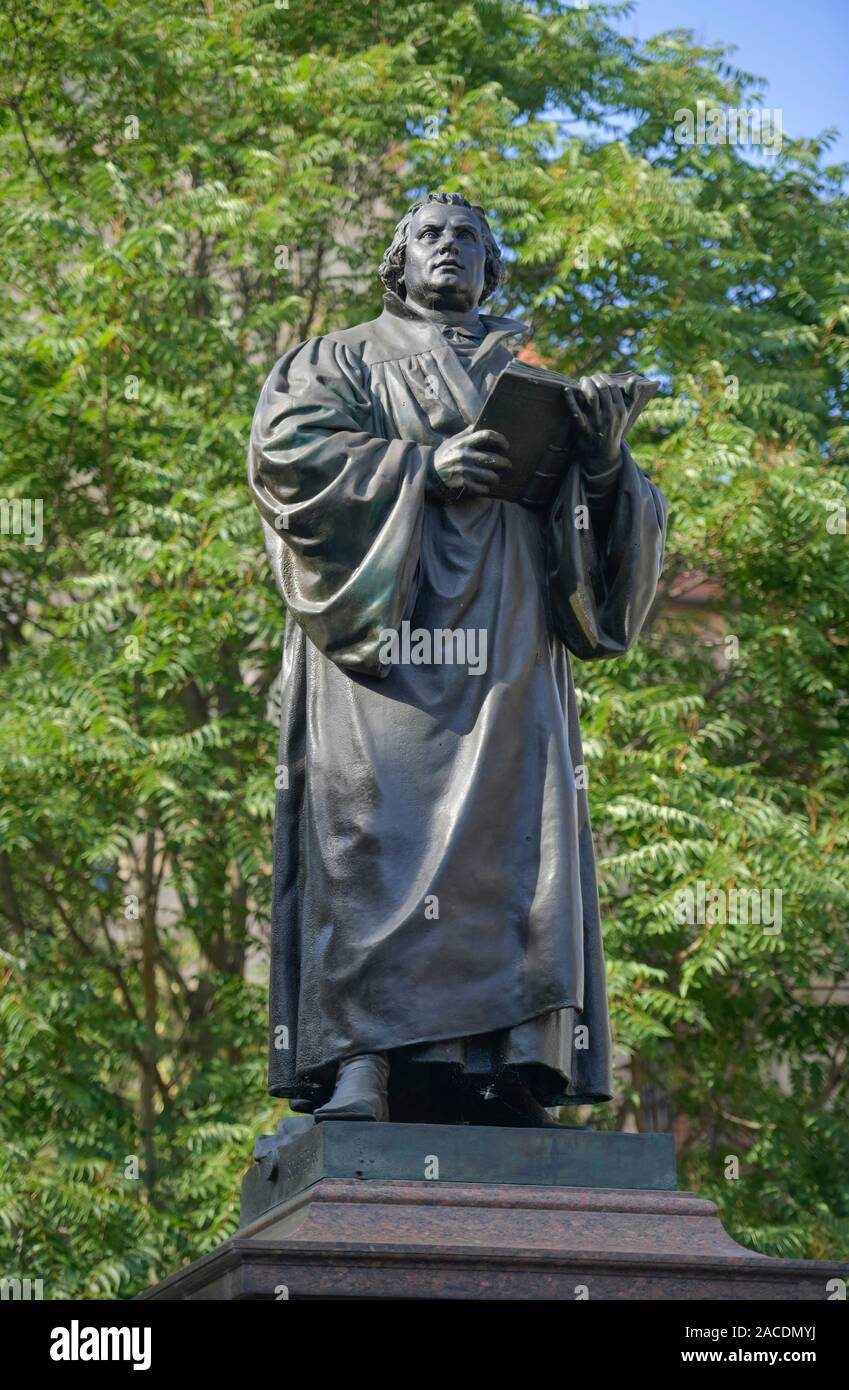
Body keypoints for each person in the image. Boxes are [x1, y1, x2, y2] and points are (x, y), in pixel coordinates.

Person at [248, 191, 667, 1126]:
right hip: (385, 647)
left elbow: (607, 550)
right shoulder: (341, 358)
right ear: (398, 263)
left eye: (469, 238)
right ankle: (364, 1064)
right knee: (368, 836)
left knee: (516, 857)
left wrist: (603, 460)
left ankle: (512, 1068)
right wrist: (421, 471)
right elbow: (287, 457)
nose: (450, 248)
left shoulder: (538, 385)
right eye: (430, 234)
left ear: (491, 266)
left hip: (511, 652)